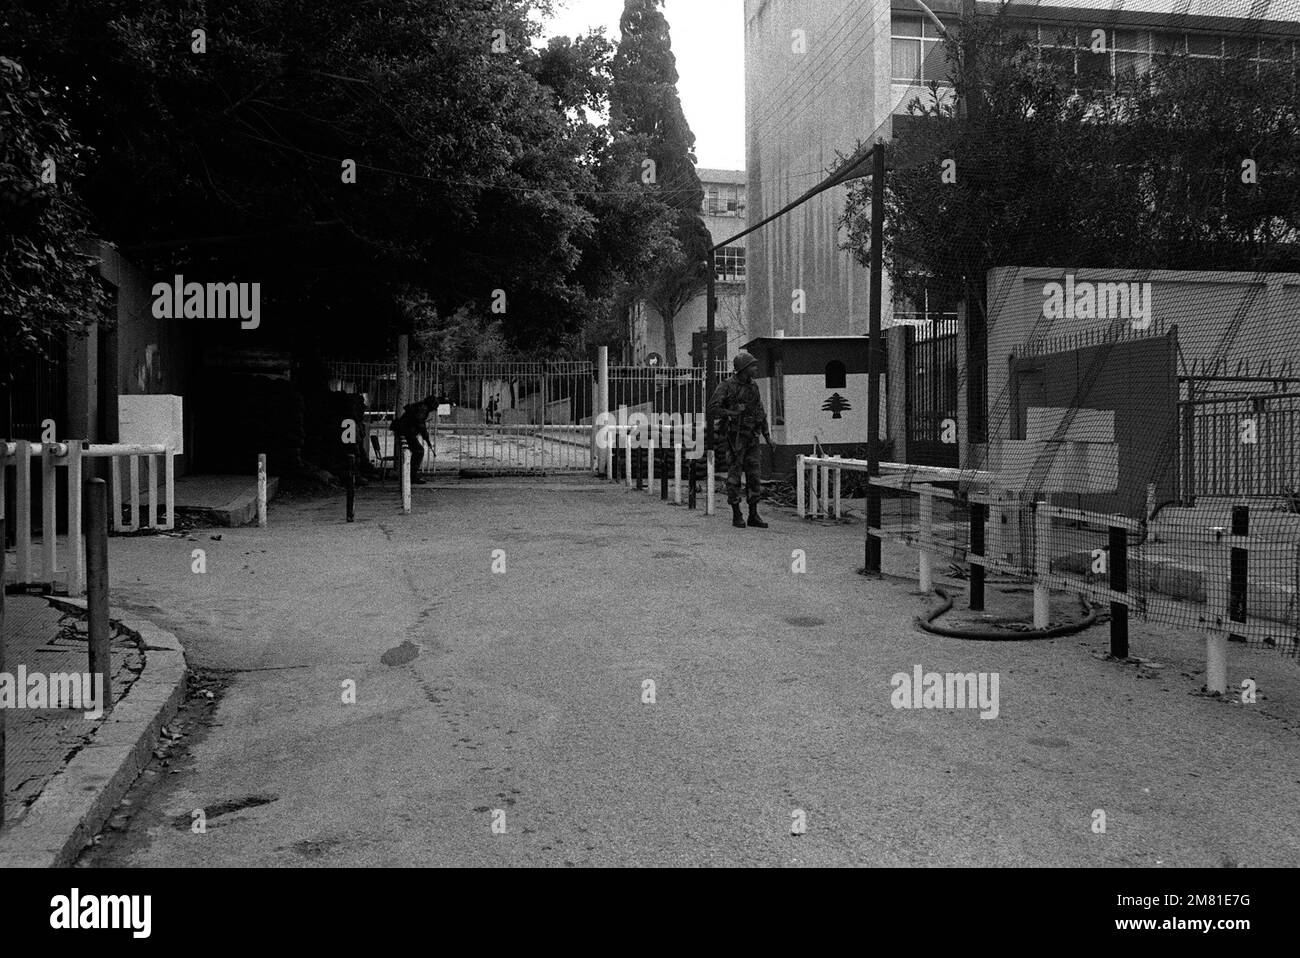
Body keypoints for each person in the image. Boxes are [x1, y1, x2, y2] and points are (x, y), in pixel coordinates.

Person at [707, 351, 773, 528]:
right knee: (734, 477)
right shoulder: (727, 386)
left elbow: (760, 411)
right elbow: (712, 409)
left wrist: (767, 436)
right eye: (752, 365)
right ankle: (736, 514)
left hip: (751, 437)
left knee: (754, 476)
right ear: (743, 369)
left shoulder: (754, 387)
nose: (756, 368)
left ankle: (753, 514)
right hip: (734, 438)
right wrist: (732, 412)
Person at [391, 394, 441, 485]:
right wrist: (426, 437)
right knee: (419, 451)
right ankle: (411, 476)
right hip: (406, 431)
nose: (433, 410)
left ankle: (410, 475)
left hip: (405, 431)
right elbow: (420, 423)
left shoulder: (421, 406)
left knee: (417, 451)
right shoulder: (423, 408)